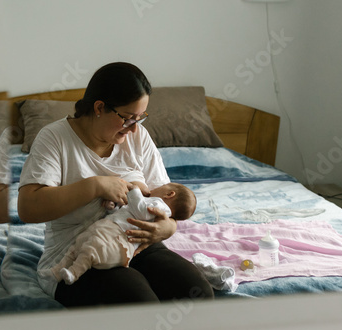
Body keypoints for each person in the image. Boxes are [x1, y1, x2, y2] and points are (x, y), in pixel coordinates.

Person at [17, 62, 214, 308]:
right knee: (140, 304)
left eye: (140, 119)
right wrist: (95, 186)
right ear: (99, 107)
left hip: (136, 244)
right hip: (78, 252)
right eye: (128, 118)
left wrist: (168, 228)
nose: (134, 128)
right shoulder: (55, 138)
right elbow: (28, 208)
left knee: (198, 294)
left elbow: (165, 201)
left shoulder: (138, 137)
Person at [44, 183, 197, 285]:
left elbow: (141, 211)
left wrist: (134, 190)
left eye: (161, 186)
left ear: (169, 194)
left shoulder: (159, 205)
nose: (153, 188)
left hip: (118, 238)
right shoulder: (153, 202)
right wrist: (113, 207)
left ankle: (74, 273)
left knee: (91, 250)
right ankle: (57, 270)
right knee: (79, 244)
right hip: (109, 228)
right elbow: (127, 213)